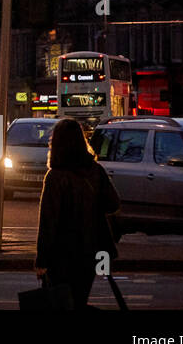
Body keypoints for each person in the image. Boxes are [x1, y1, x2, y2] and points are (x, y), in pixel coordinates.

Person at [34, 117, 121, 310]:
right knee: (79, 300)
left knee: (60, 304)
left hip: (61, 255)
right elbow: (113, 204)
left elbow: (48, 222)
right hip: (90, 252)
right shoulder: (96, 171)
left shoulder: (55, 177)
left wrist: (42, 260)